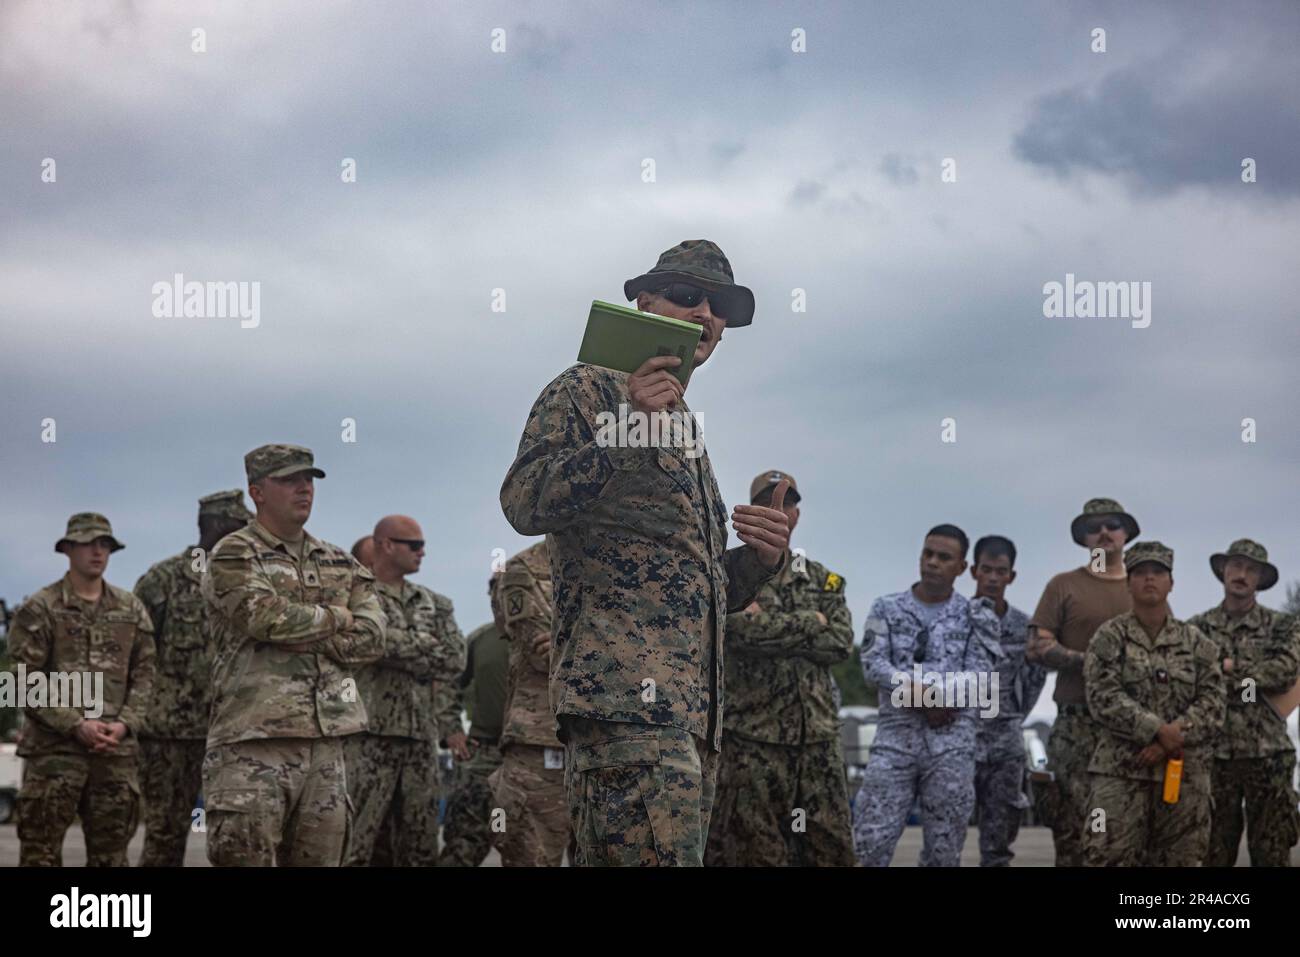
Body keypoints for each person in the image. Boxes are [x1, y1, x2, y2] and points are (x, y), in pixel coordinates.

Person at [500, 239, 790, 866]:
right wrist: (626, 429)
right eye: (686, 296)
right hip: (625, 704)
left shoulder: (684, 425)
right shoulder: (587, 388)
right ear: (644, 304)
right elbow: (524, 502)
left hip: (691, 716)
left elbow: (695, 584)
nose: (704, 313)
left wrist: (760, 561)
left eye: (719, 306)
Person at [201, 444, 385, 866]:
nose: (304, 488)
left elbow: (374, 637)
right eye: (289, 480)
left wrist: (307, 632)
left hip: (327, 746)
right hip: (254, 743)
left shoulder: (338, 561)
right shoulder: (234, 554)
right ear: (256, 492)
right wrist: (339, 617)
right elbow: (266, 618)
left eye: (308, 480)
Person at [705, 470, 855, 867]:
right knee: (755, 854)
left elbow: (840, 642)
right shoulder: (734, 574)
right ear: (752, 511)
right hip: (753, 742)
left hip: (817, 741)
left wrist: (768, 626)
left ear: (797, 514)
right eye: (767, 502)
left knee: (831, 850)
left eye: (787, 503)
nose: (780, 510)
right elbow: (736, 631)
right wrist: (812, 621)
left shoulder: (824, 579)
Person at [9, 513, 156, 866]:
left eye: (104, 544)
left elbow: (147, 674)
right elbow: (19, 681)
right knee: (40, 856)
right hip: (54, 755)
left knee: (112, 859)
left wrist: (125, 724)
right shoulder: (41, 608)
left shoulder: (130, 609)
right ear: (68, 549)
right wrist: (75, 724)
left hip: (114, 756)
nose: (98, 552)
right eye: (89, 543)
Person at [852, 524, 1001, 867]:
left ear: (962, 567)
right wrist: (918, 694)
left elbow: (981, 677)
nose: (932, 562)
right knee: (870, 843)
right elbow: (873, 665)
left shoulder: (977, 616)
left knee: (943, 852)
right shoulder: (886, 608)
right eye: (928, 554)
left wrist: (933, 695)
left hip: (951, 746)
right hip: (894, 743)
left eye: (944, 557)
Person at [1083, 541, 1223, 866]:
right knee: (1108, 856)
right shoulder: (1109, 637)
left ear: (1171, 583)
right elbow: (1102, 695)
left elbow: (1214, 700)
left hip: (1183, 771)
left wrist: (1172, 737)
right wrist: (1156, 729)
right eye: (1141, 572)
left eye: (1158, 572)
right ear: (1128, 583)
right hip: (1122, 770)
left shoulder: (1196, 642)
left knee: (1182, 859)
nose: (1149, 579)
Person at [134, 489, 251, 866]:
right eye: (238, 525)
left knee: (236, 839)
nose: (246, 533)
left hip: (231, 733)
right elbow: (134, 652)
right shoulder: (164, 579)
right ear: (215, 525)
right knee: (164, 836)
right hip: (170, 735)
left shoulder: (246, 583)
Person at [343, 515, 465, 866]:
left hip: (420, 741)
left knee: (420, 848)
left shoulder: (435, 603)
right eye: (414, 545)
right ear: (386, 545)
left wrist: (390, 646)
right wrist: (422, 646)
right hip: (368, 738)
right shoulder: (354, 597)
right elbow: (362, 643)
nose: (422, 552)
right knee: (355, 845)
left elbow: (455, 658)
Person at [1026, 497, 1137, 866]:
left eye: (1112, 525)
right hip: (1076, 724)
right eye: (1093, 527)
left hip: (1129, 728)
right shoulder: (1064, 586)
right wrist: (1089, 662)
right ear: (1083, 538)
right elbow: (1038, 645)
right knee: (1073, 830)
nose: (1104, 533)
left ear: (1126, 533)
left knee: (1124, 835)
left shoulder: (1143, 588)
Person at [1188, 539, 1300, 866]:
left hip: (1268, 755)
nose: (1242, 574)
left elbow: (1284, 672)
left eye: (1251, 569)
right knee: (1213, 853)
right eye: (1236, 566)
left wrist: (1230, 668)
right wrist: (1251, 675)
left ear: (1261, 579)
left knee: (1271, 854)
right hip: (1214, 756)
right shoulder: (1197, 629)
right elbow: (1191, 677)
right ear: (1223, 570)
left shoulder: (1282, 626)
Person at [489, 539, 572, 866]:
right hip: (541, 744)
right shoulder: (524, 570)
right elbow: (543, 654)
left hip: (609, 742)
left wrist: (572, 641)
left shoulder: (618, 562)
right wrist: (614, 649)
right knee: (532, 857)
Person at [969, 535, 1045, 867]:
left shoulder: (1023, 626)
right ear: (973, 571)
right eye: (986, 570)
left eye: (1001, 572)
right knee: (946, 825)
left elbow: (1035, 678)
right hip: (960, 736)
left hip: (1004, 741)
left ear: (1011, 576)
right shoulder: (956, 619)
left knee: (1001, 830)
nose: (992, 578)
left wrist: (1015, 715)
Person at [439, 575, 512, 867]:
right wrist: (452, 728)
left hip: (540, 755)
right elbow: (448, 684)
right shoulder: (480, 640)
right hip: (484, 753)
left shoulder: (553, 636)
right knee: (465, 839)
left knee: (533, 846)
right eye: (496, 595)